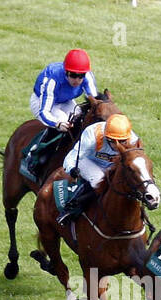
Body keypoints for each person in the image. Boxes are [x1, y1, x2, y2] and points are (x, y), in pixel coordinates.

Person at [23, 49, 99, 178]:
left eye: (81, 76)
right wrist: (57, 124)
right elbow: (44, 112)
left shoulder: (87, 77)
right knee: (64, 121)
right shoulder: (53, 79)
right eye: (73, 75)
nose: (77, 80)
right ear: (66, 72)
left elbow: (95, 102)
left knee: (80, 119)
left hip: (65, 100)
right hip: (42, 102)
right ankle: (36, 154)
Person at [59, 114, 138, 222]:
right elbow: (73, 156)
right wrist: (72, 169)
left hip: (112, 165)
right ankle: (72, 208)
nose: (117, 145)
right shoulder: (92, 135)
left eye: (122, 141)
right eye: (112, 141)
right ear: (106, 136)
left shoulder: (133, 140)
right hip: (87, 161)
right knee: (99, 180)